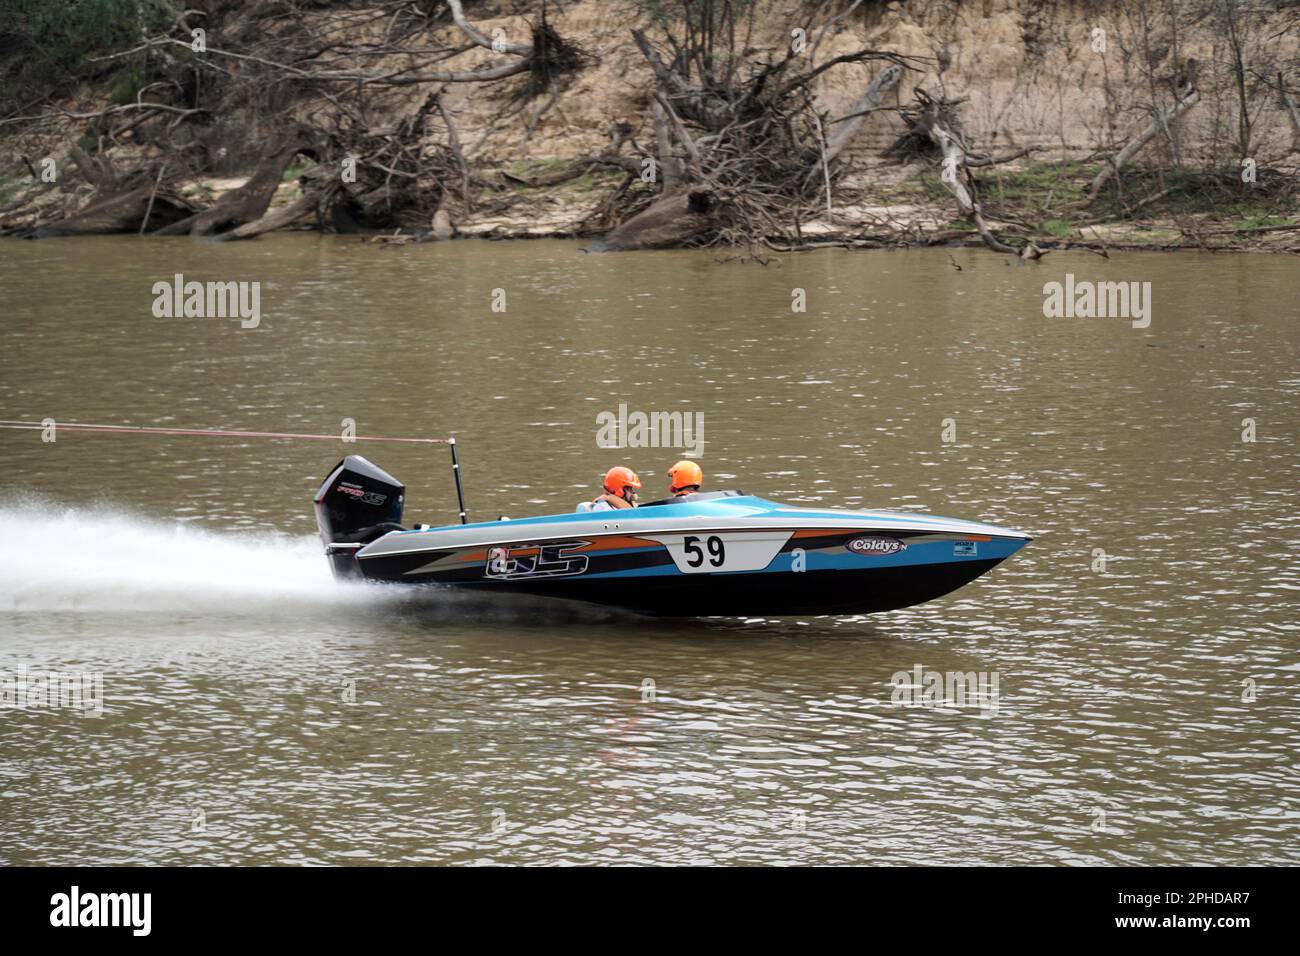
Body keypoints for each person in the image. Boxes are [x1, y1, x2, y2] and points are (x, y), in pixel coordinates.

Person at [577, 466, 641, 512]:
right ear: (618, 489)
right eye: (628, 488)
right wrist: (610, 498)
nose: (632, 492)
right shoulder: (603, 508)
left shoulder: (623, 505)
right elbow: (631, 513)